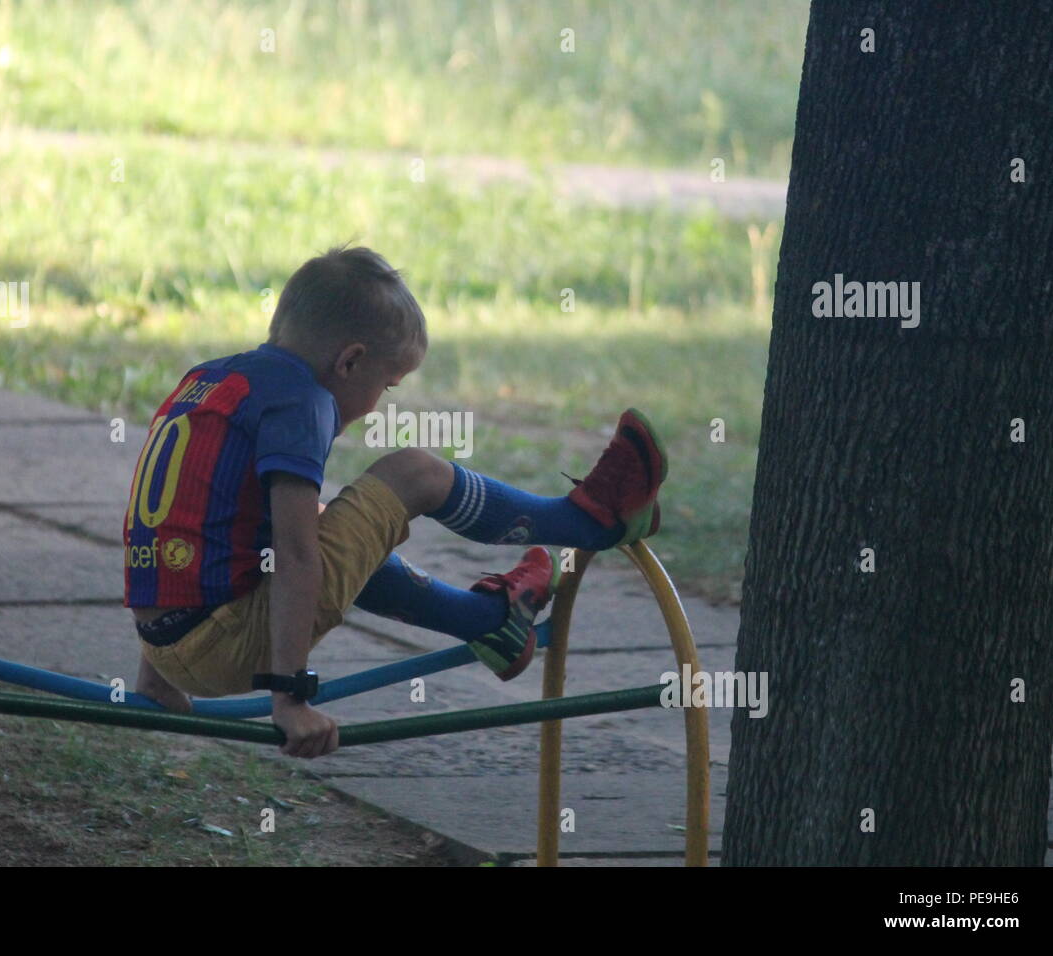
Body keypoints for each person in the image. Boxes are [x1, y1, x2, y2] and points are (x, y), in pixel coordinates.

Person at [123, 244, 666, 758]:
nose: (378, 405)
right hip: (229, 645)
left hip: (168, 643)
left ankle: (487, 623)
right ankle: (591, 520)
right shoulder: (299, 401)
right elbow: (294, 557)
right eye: (388, 386)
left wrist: (158, 672)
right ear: (351, 361)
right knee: (413, 473)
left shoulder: (212, 379)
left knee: (326, 523)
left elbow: (175, 524)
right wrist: (289, 699)